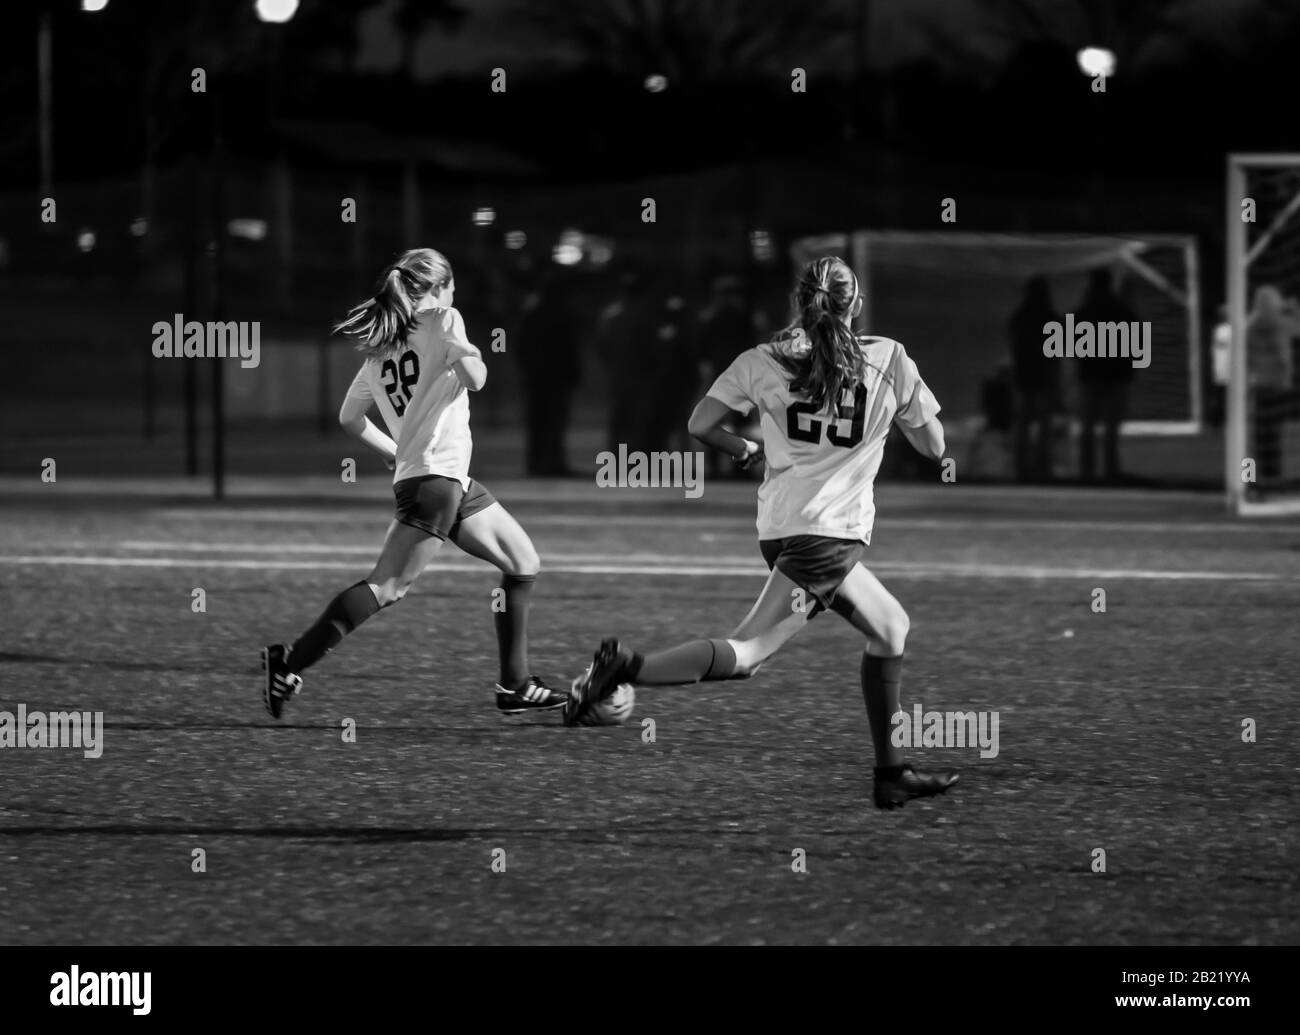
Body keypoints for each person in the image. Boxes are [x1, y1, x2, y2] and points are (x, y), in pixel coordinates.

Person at [564, 256, 958, 810]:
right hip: (827, 537)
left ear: (798, 303)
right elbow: (933, 447)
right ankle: (628, 668)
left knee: (891, 627)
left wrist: (743, 448)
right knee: (747, 655)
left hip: (783, 528)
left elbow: (701, 424)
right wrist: (907, 400)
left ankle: (892, 774)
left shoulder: (763, 359)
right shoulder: (888, 357)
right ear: (858, 305)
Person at [261, 247, 566, 719]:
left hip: (446, 479)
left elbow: (349, 418)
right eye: (453, 287)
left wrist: (393, 452)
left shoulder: (383, 347)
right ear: (439, 288)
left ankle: (515, 686)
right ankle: (289, 663)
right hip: (435, 482)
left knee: (523, 561)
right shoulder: (445, 319)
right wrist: (468, 352)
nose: (455, 295)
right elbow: (478, 379)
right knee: (386, 588)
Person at [516, 270, 582, 475]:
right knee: (552, 421)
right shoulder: (562, 315)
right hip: (554, 378)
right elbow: (569, 348)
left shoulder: (533, 314)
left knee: (540, 422)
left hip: (538, 378)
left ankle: (538, 463)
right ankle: (551, 462)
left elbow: (521, 347)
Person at [1076, 268, 1136, 483]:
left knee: (1088, 428)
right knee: (1110, 429)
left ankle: (1087, 471)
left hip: (1092, 375)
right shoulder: (1120, 310)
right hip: (1115, 375)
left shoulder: (1085, 311)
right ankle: (1109, 470)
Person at [1009, 276, 1061, 481]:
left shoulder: (1020, 317)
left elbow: (1014, 348)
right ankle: (1042, 469)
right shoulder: (1050, 318)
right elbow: (1055, 355)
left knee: (1023, 426)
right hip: (1042, 377)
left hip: (1024, 376)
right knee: (1043, 427)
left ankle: (1021, 468)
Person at [1246, 285, 1300, 482]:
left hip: (1257, 385)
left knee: (1253, 440)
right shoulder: (1280, 322)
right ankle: (1273, 478)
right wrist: (1293, 308)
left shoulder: (1251, 325)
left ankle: (1248, 480)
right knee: (1273, 436)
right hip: (1277, 385)